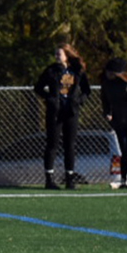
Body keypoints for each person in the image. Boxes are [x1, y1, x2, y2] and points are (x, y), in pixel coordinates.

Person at [34, 44, 90, 189]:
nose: (56, 57)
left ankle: (70, 179)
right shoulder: (51, 70)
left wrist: (77, 101)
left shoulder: (77, 71)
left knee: (70, 145)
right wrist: (50, 98)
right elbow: (38, 87)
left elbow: (86, 90)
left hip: (70, 112)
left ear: (66, 55)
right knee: (52, 144)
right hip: (55, 112)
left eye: (59, 54)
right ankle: (49, 179)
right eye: (55, 55)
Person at [100, 57, 127, 188]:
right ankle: (124, 179)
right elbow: (105, 102)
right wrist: (107, 113)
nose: (107, 74)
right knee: (124, 152)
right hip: (120, 124)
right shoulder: (106, 85)